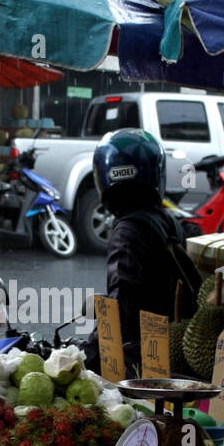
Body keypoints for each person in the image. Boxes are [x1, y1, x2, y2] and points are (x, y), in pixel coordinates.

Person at [83, 129, 201, 377]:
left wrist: (87, 358)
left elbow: (120, 304)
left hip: (140, 364)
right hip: (169, 346)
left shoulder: (128, 230)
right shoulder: (167, 220)